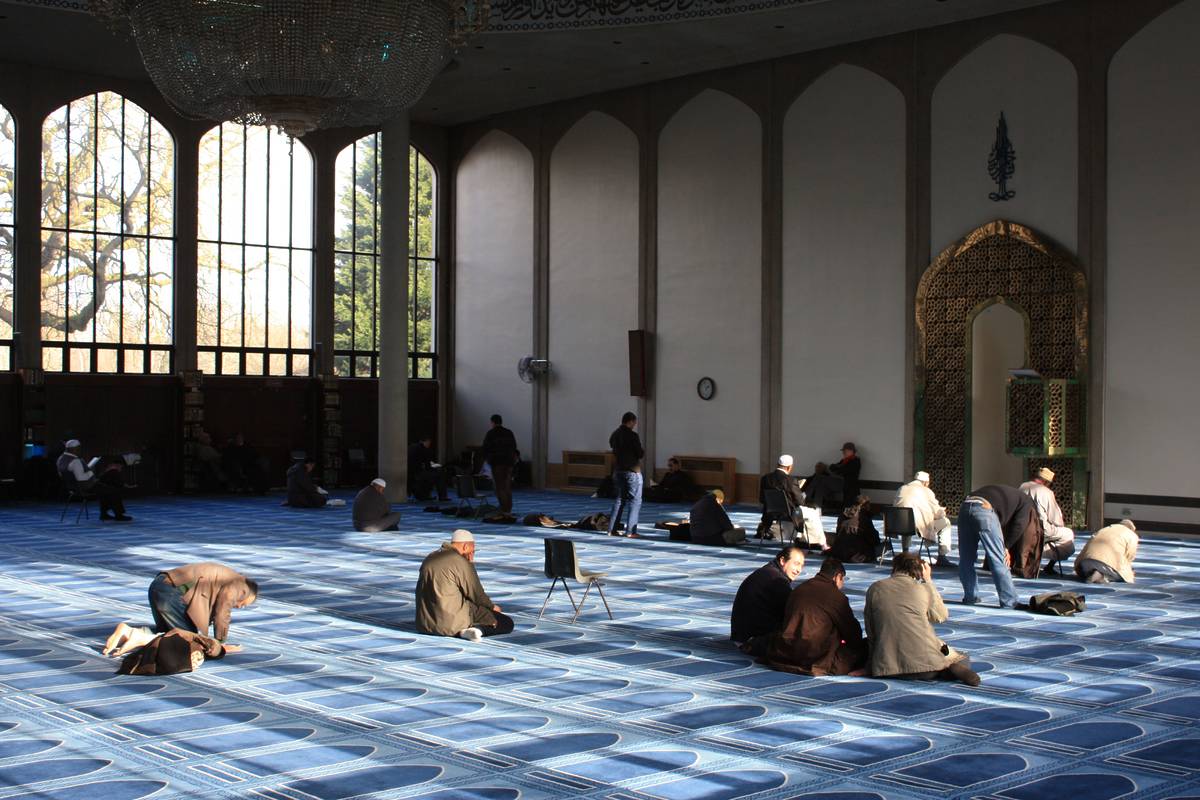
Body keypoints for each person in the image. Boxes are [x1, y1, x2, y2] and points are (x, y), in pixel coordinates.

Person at [864, 553, 980, 686]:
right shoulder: (922, 588)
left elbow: (871, 630)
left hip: (887, 668)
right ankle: (946, 668)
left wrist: (870, 665)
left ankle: (943, 667)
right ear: (920, 570)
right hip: (928, 667)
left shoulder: (875, 588)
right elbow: (941, 616)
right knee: (961, 658)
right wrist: (928, 581)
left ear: (894, 567)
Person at [766, 557, 867, 676]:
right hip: (814, 657)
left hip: (786, 651)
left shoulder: (799, 588)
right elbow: (853, 634)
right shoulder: (836, 596)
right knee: (865, 647)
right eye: (842, 580)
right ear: (838, 576)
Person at [415, 529, 514, 641]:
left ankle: (466, 630)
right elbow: (475, 594)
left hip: (424, 624)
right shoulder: (460, 561)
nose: (472, 554)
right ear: (466, 546)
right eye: (473, 551)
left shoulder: (430, 557)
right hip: (451, 624)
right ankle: (477, 630)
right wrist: (492, 607)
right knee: (506, 622)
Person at [957, 484, 1040, 609]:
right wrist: (1006, 546)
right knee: (998, 559)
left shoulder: (1010, 494)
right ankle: (1009, 601)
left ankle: (970, 597)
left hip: (965, 507)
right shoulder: (1027, 502)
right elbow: (1019, 525)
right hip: (985, 510)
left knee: (966, 559)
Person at [147, 562, 257, 645]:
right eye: (243, 604)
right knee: (190, 641)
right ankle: (136, 636)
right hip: (171, 591)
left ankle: (135, 634)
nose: (238, 606)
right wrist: (220, 643)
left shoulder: (228, 576)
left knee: (165, 636)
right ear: (248, 593)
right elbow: (222, 612)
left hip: (160, 585)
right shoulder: (241, 586)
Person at [730, 545, 806, 655]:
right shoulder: (777, 580)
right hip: (751, 640)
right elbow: (792, 613)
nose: (799, 570)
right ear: (783, 561)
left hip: (742, 634)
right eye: (796, 564)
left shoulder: (769, 572)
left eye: (802, 566)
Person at [103, 623, 229, 675]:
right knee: (158, 641)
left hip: (169, 638)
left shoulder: (194, 638)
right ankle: (136, 637)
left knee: (156, 637)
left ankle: (129, 633)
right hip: (167, 646)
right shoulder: (199, 651)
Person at [55, 438, 131, 521]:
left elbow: (63, 474)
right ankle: (119, 515)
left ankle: (104, 514)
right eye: (79, 448)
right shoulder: (75, 461)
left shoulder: (60, 459)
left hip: (72, 487)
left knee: (106, 487)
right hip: (85, 487)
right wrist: (90, 469)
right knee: (113, 490)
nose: (80, 450)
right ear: (74, 449)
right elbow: (82, 478)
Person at [758, 454, 824, 547]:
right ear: (789, 467)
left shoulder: (765, 478)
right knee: (814, 511)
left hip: (769, 513)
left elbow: (762, 499)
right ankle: (812, 541)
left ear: (778, 464)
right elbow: (800, 501)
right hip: (789, 514)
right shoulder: (790, 480)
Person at [895, 470, 954, 567]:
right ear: (925, 482)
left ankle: (905, 552)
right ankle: (942, 556)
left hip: (898, 524)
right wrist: (942, 512)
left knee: (907, 518)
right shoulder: (926, 491)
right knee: (946, 522)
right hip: (917, 525)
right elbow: (937, 512)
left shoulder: (902, 488)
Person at [1020, 467, 1075, 564]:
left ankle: (1031, 551)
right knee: (1068, 535)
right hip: (1040, 530)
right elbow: (1056, 520)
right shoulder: (1046, 492)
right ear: (1047, 482)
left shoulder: (1022, 486)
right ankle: (1040, 555)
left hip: (1021, 527)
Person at [607, 412, 645, 537]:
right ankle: (630, 531)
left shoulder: (615, 434)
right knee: (635, 500)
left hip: (618, 471)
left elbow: (612, 446)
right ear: (630, 421)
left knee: (619, 500)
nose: (634, 425)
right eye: (634, 422)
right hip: (632, 471)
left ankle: (611, 529)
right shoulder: (632, 436)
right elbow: (639, 453)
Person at [1074, 519, 1139, 584]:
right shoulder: (1131, 535)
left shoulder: (1103, 529)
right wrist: (1129, 571)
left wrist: (1078, 566)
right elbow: (1130, 557)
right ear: (1131, 529)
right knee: (1125, 576)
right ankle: (1103, 576)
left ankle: (1091, 573)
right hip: (1106, 566)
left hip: (1085, 564)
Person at [828, 495, 880, 563]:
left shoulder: (842, 515)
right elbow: (874, 540)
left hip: (839, 553)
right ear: (866, 506)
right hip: (856, 553)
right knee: (884, 546)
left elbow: (838, 534)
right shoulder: (863, 519)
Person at [481, 415, 518, 513]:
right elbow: (514, 447)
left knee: (499, 487)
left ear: (492, 422)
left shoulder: (491, 433)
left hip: (497, 463)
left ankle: (503, 508)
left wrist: (488, 460)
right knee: (507, 486)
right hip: (509, 463)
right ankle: (508, 508)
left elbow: (485, 449)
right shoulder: (509, 432)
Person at [408, 436, 450, 502]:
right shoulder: (422, 449)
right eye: (429, 443)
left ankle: (425, 495)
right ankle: (442, 496)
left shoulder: (411, 447)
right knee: (440, 474)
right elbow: (427, 465)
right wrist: (435, 466)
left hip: (410, 474)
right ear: (426, 442)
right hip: (418, 473)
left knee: (432, 476)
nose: (429, 445)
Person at [828, 442, 861, 509]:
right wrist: (838, 468)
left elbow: (843, 470)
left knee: (850, 507)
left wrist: (838, 468)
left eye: (845, 451)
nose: (843, 453)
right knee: (847, 507)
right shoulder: (845, 461)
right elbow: (832, 467)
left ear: (851, 451)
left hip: (852, 489)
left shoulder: (855, 461)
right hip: (846, 487)